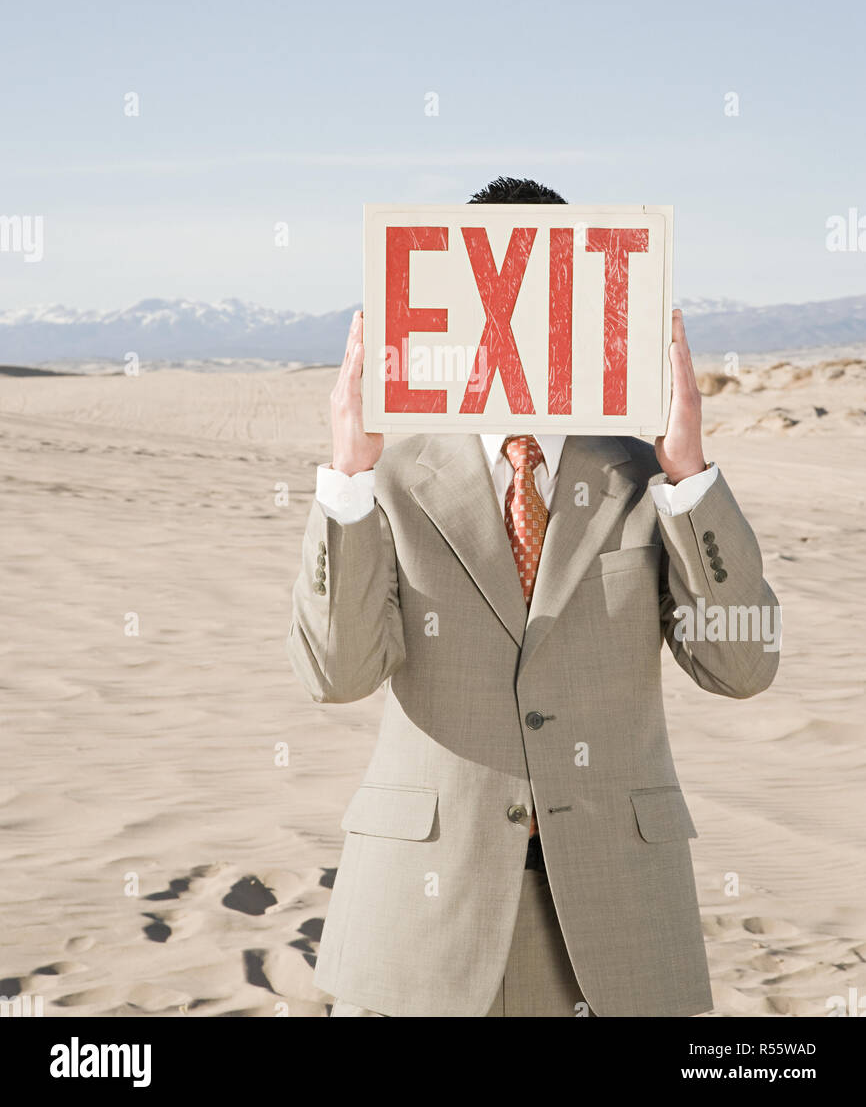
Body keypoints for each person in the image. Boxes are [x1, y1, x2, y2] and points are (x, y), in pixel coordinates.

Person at [287, 176, 780, 1017]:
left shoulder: (642, 473)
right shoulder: (390, 479)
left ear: (582, 302)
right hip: (421, 919)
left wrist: (689, 472)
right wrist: (350, 475)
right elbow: (334, 674)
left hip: (610, 922)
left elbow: (741, 666)